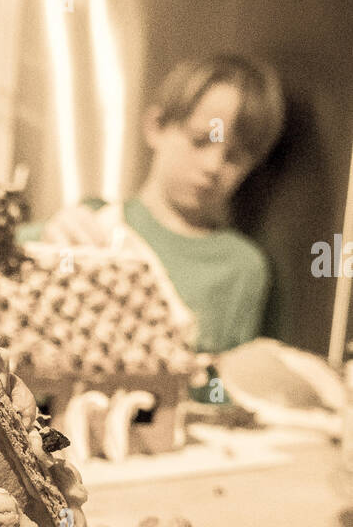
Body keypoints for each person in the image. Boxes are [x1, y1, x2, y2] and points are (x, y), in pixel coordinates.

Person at [46, 55, 286, 355]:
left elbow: (228, 390)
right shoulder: (95, 224)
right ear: (156, 126)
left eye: (235, 156)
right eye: (200, 140)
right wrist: (47, 250)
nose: (213, 165)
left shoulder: (243, 268)